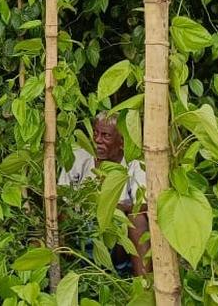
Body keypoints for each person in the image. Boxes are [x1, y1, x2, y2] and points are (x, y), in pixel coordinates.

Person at [58, 112, 151, 276]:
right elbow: (61, 197)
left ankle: (144, 285)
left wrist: (108, 209)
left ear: (122, 142)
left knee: (137, 219)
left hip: (117, 236)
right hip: (80, 229)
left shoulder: (135, 163)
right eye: (95, 133)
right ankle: (70, 268)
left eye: (106, 135)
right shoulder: (78, 157)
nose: (97, 140)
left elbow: (142, 204)